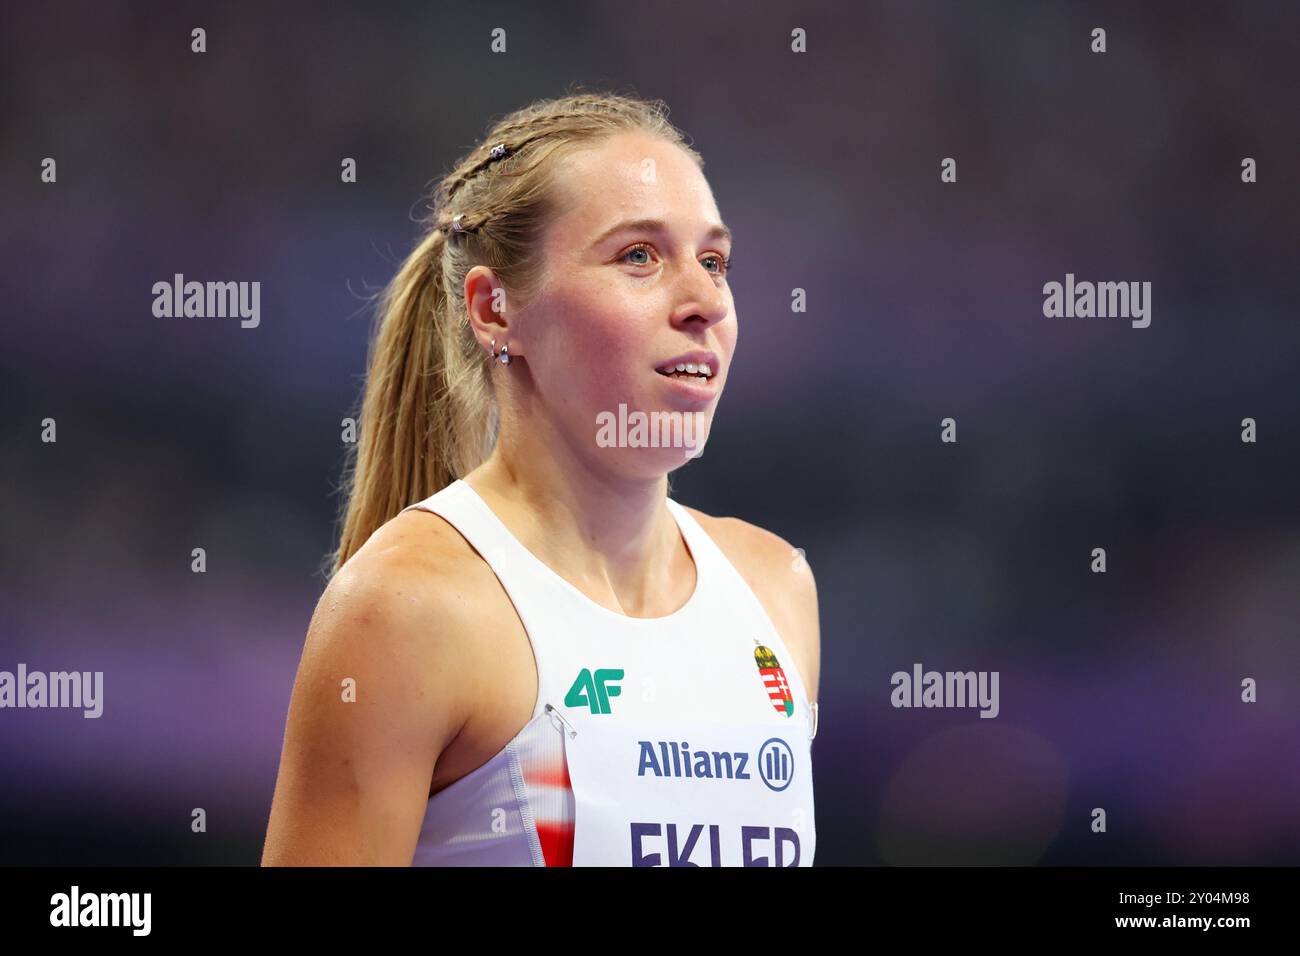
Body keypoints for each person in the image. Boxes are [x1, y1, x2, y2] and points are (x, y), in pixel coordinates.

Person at [261, 90, 820, 866]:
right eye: (638, 256)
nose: (703, 303)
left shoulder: (776, 588)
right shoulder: (407, 609)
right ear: (496, 311)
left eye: (714, 260)